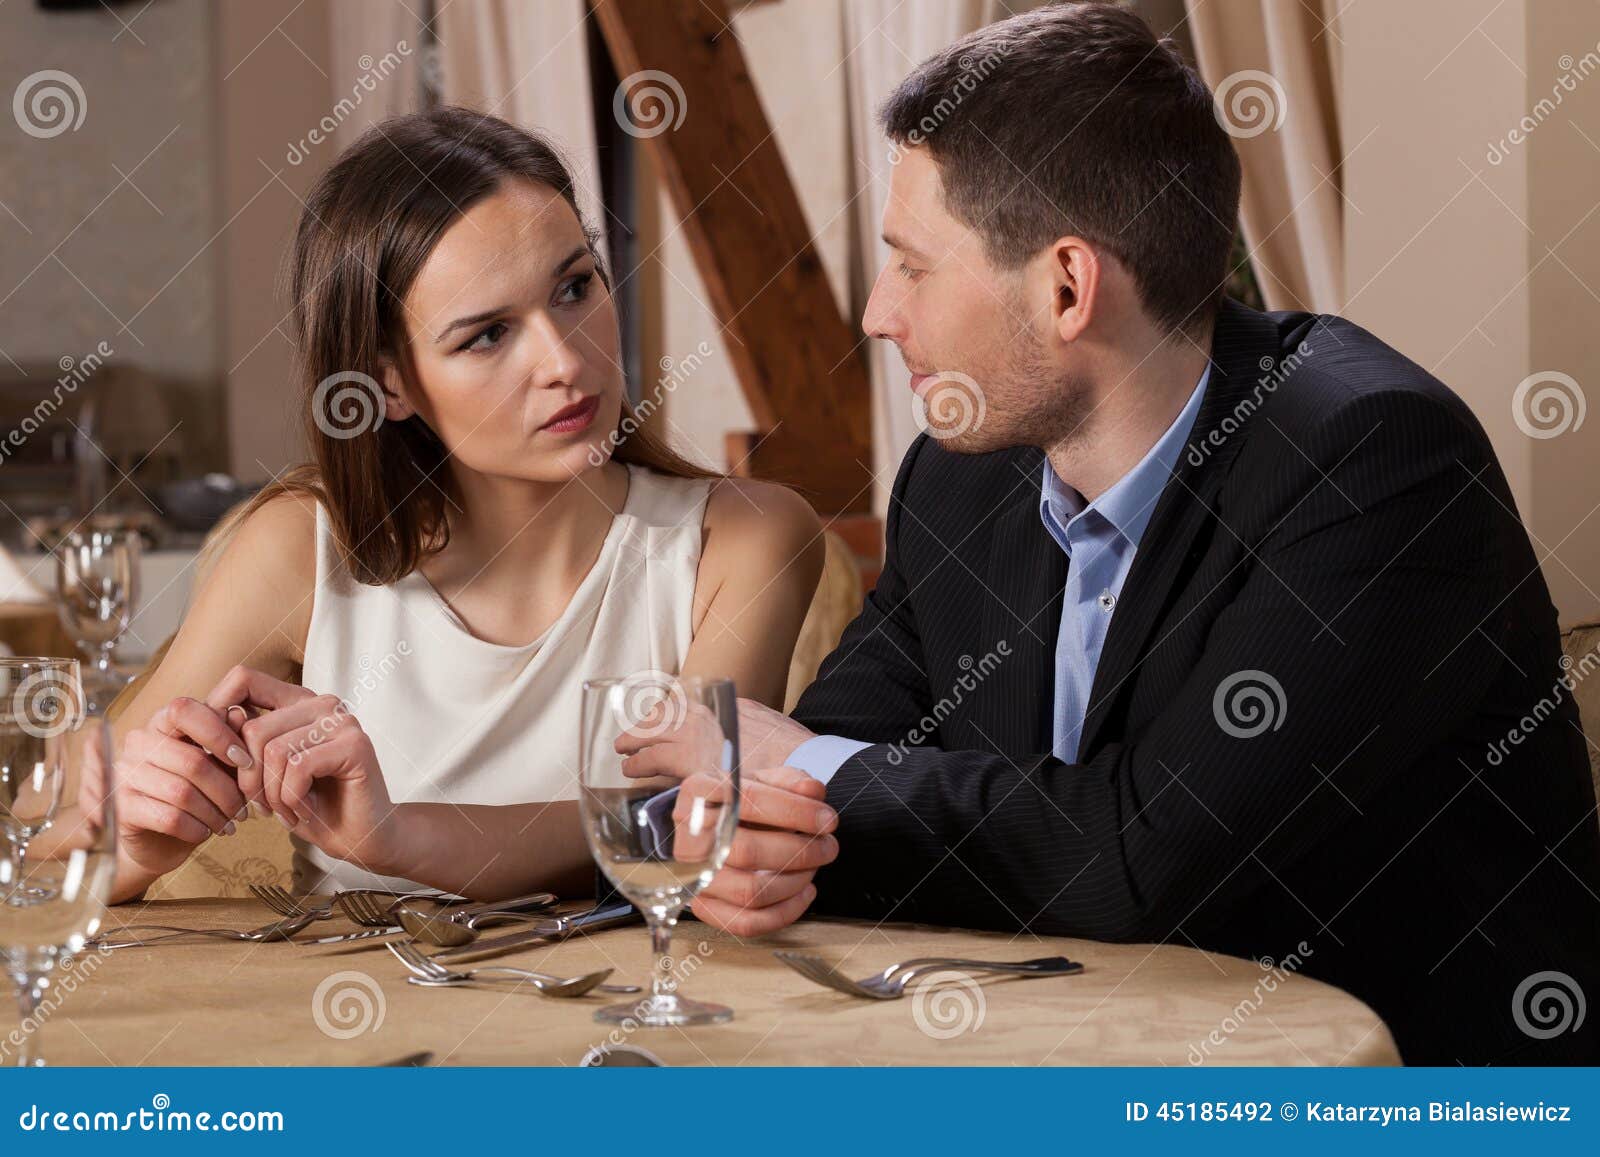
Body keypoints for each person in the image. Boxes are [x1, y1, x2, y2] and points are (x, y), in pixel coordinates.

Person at [629, 3, 1600, 1064]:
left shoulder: (1375, 462)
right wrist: (757, 838)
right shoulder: (959, 479)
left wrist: (804, 764)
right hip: (1064, 1063)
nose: (876, 312)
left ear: (1065, 285)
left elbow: (1144, 855)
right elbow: (825, 783)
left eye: (910, 264)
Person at [106, 108, 838, 920]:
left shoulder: (743, 538)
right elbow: (62, 831)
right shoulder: (298, 547)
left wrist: (398, 836)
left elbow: (676, 830)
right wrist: (138, 840)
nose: (565, 361)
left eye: (574, 286)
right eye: (488, 335)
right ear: (389, 384)